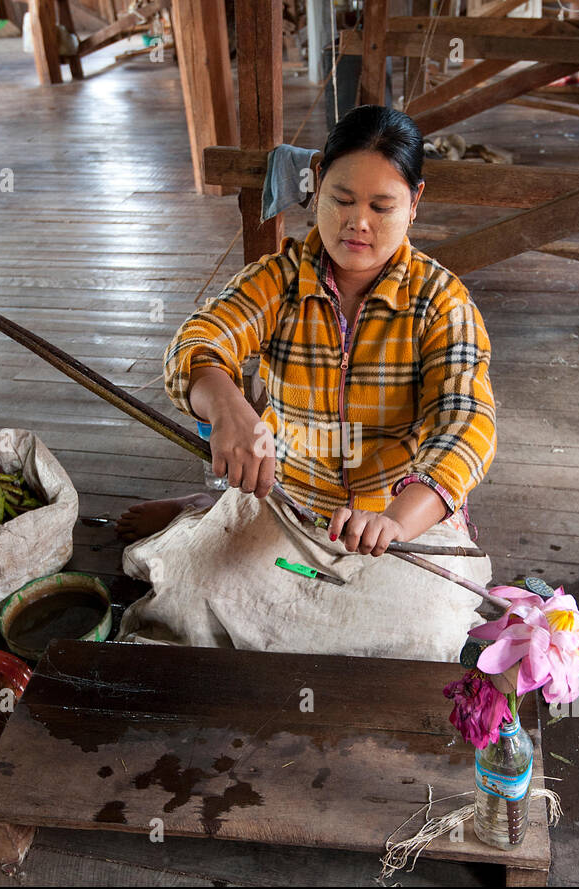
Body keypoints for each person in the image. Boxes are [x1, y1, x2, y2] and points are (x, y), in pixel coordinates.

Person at [113, 105, 498, 661]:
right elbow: (199, 342)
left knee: (426, 633)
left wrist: (394, 518)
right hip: (286, 501)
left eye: (381, 206)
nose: (356, 222)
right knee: (191, 599)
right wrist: (227, 406)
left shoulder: (441, 302)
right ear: (316, 182)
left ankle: (206, 508)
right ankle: (211, 509)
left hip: (394, 520)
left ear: (415, 203)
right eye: (341, 199)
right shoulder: (277, 280)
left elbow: (469, 423)